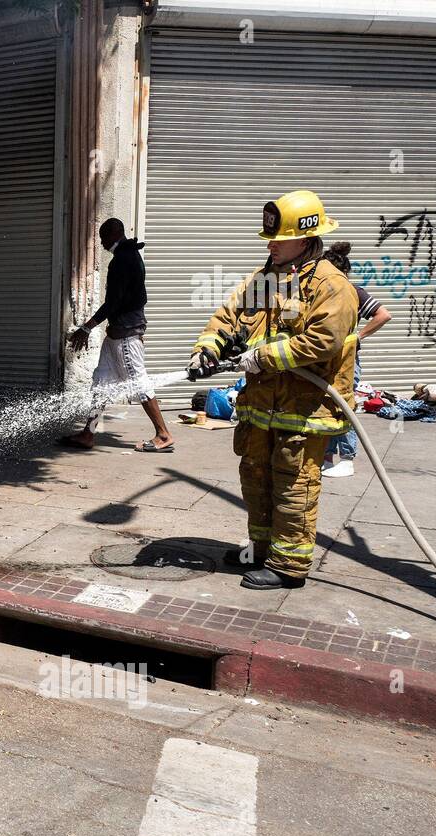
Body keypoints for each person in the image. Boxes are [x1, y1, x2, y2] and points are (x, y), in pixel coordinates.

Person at [188, 190, 357, 590]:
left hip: (305, 409)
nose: (272, 246)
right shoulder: (265, 279)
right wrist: (207, 349)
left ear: (307, 238)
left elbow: (323, 342)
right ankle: (261, 551)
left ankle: (289, 567)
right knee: (256, 477)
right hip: (261, 407)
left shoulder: (331, 286)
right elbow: (227, 318)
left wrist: (261, 358)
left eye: (280, 239)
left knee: (293, 483)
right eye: (270, 239)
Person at [59, 218, 173, 452]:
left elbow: (114, 302)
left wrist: (87, 327)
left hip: (126, 337)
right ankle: (88, 433)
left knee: (139, 383)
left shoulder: (123, 260)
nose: (101, 243)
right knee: (100, 382)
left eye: (103, 237)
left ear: (114, 234)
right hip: (115, 337)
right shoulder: (127, 255)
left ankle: (163, 434)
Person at [317, 242, 392, 479]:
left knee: (343, 407)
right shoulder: (323, 293)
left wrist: (358, 337)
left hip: (346, 363)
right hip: (324, 361)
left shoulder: (352, 292)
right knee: (326, 407)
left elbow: (383, 314)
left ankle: (347, 459)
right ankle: (327, 458)